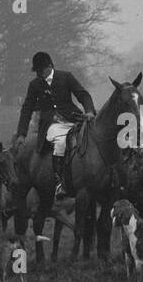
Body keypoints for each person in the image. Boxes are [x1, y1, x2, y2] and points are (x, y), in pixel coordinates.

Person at [13, 51, 96, 198]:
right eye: (37, 72)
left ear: (49, 67)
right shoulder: (34, 85)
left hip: (73, 119)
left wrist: (89, 110)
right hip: (50, 125)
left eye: (40, 71)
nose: (38, 74)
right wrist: (21, 134)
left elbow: (83, 95)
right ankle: (59, 182)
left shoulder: (66, 77)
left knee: (90, 137)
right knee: (60, 141)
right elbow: (26, 109)